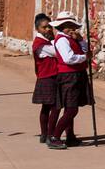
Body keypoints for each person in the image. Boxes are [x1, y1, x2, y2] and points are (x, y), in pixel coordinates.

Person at [48, 12, 91, 149]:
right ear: (61, 27)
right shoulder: (61, 40)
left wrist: (80, 40)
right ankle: (55, 136)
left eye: (73, 26)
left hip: (77, 74)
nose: (71, 29)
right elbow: (69, 58)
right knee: (71, 109)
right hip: (68, 76)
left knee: (71, 107)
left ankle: (70, 137)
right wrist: (84, 58)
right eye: (68, 26)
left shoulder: (73, 39)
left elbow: (84, 50)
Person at [30, 13, 59, 144]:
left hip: (48, 77)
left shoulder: (46, 41)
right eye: (44, 27)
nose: (48, 29)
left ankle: (44, 134)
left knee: (47, 107)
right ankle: (49, 134)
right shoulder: (40, 44)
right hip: (47, 78)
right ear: (38, 29)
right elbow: (58, 52)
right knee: (53, 107)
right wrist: (53, 39)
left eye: (49, 27)